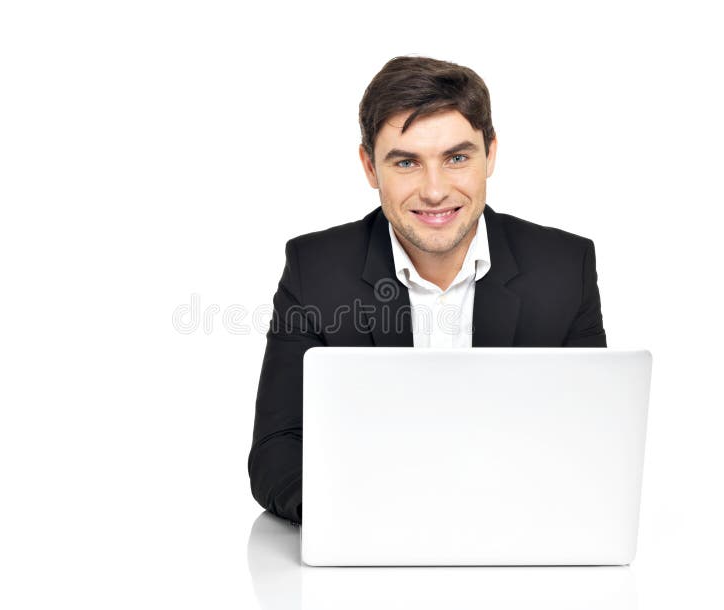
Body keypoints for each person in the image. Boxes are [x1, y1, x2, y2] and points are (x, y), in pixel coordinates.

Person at [247, 56, 606, 524]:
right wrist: (365, 519)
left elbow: (592, 439)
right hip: (368, 543)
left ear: (491, 154)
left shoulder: (564, 267)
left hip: (516, 538)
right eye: (407, 162)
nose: (435, 191)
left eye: (457, 158)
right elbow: (277, 451)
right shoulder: (314, 270)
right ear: (370, 167)